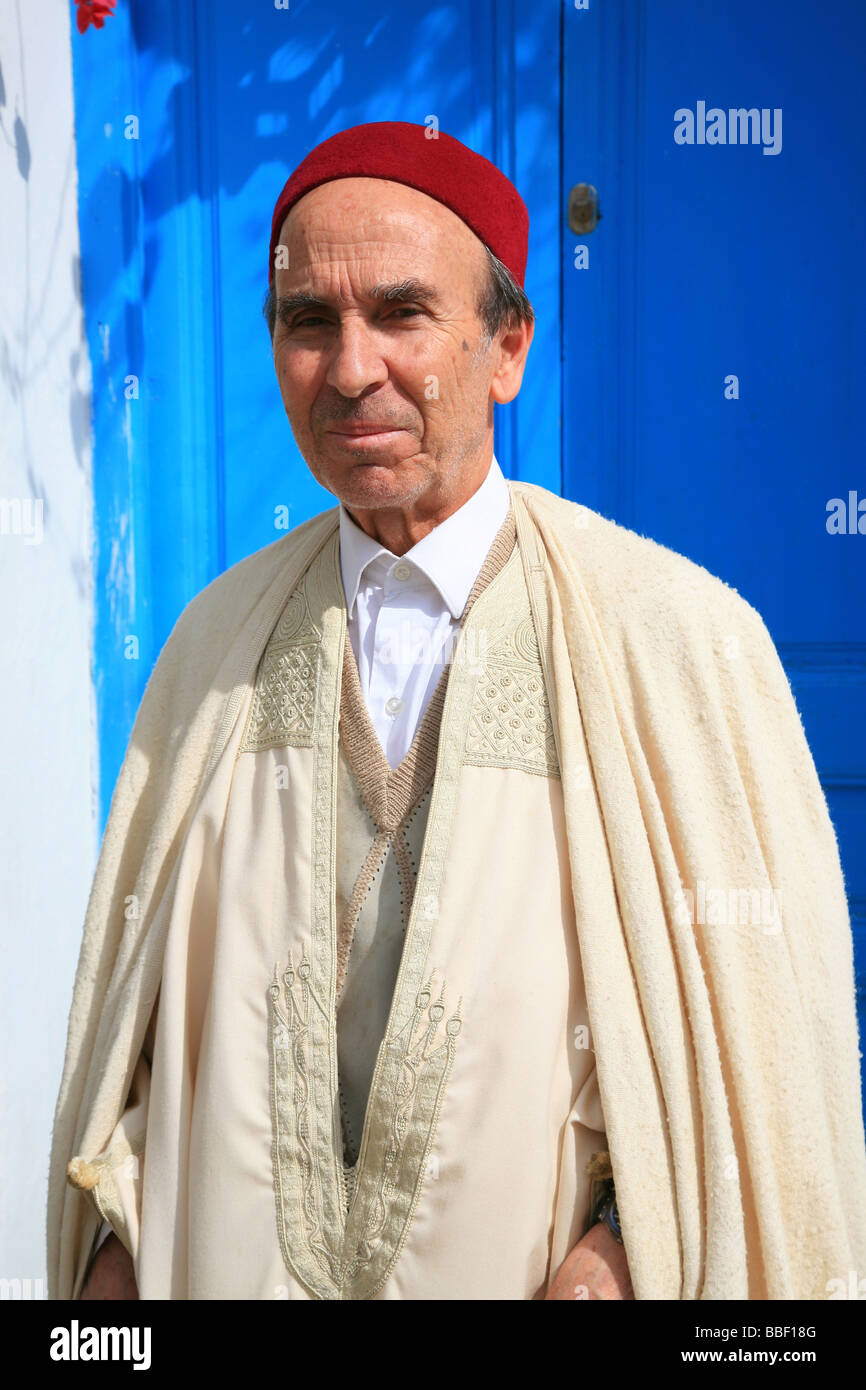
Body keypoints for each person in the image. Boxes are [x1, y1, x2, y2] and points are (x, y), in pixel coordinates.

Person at [49, 121, 866, 1302]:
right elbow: (135, 1031)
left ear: (506, 347)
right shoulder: (211, 647)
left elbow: (755, 1066)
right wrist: (113, 1257)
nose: (348, 370)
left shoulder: (674, 639)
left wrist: (629, 1243)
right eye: (307, 323)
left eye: (400, 314)